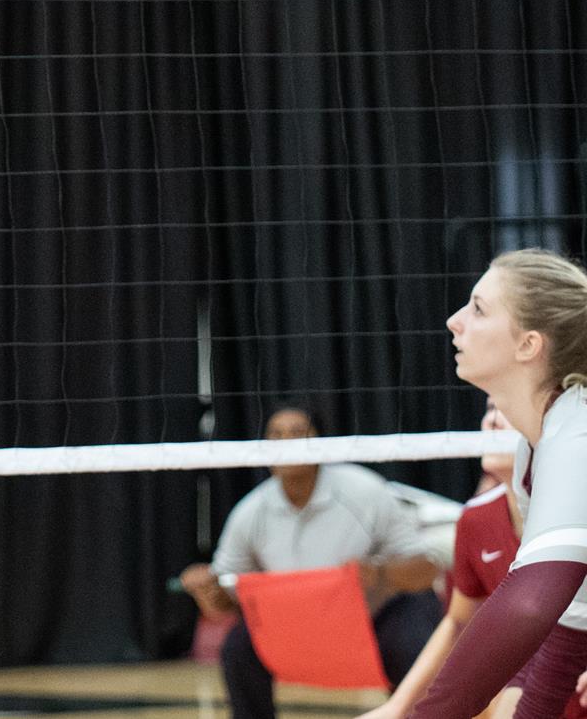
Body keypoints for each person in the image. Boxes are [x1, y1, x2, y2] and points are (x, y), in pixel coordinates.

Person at [179, 400, 445, 719]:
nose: (287, 444)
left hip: (370, 620)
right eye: (276, 435)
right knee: (238, 645)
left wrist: (381, 574)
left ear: (320, 443)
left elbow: (428, 569)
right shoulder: (250, 513)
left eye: (297, 433)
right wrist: (207, 589)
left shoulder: (364, 491)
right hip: (297, 627)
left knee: (414, 626)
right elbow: (228, 600)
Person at [408, 250, 587, 719]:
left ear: (529, 345)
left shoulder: (576, 435)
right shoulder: (536, 447)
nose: (453, 321)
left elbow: (528, 605)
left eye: (479, 308)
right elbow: (569, 629)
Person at [361, 401, 582, 719]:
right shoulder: (475, 520)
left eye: (508, 407)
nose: (492, 420)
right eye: (489, 408)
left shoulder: (575, 512)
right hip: (528, 684)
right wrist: (396, 708)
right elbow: (459, 622)